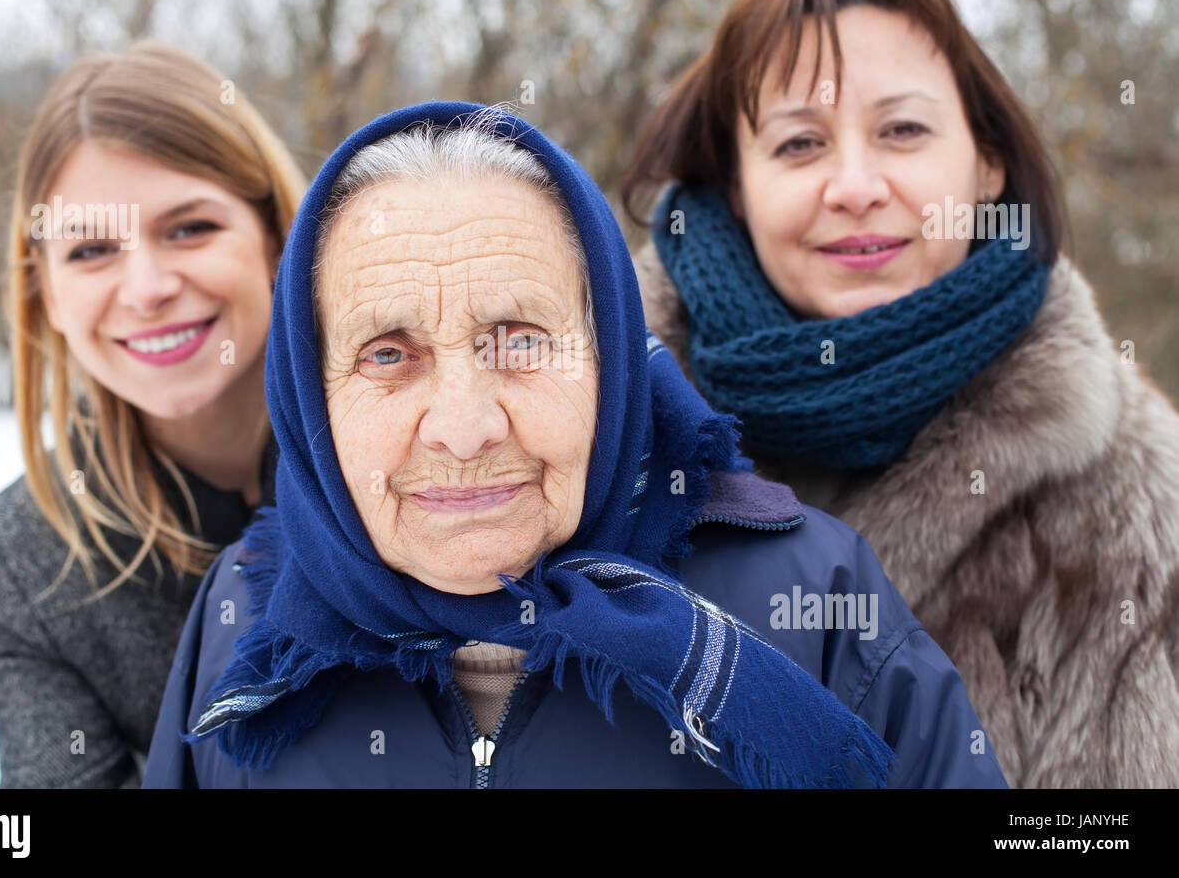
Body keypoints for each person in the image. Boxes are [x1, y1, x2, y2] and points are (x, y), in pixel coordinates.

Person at [143, 101, 1007, 788]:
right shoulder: (244, 623)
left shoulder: (812, 597)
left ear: (611, 361)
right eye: (388, 354)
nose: (464, 425)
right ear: (311, 395)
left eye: (518, 340)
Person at [620, 0, 1179, 787]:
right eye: (800, 142)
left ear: (987, 166)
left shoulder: (1147, 508)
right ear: (735, 187)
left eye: (903, 130)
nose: (854, 185)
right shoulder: (592, 453)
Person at [0, 41, 306, 787]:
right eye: (91, 251)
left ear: (274, 236)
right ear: (43, 289)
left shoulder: (428, 450)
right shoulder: (22, 569)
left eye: (189, 228)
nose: (146, 287)